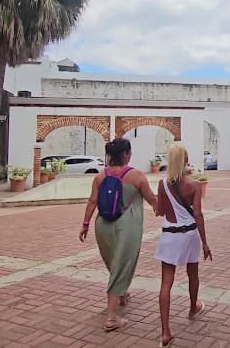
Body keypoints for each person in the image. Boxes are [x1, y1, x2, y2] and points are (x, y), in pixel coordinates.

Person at [79, 138, 157, 332]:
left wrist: (85, 224)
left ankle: (121, 294)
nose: (130, 155)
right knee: (122, 264)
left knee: (115, 262)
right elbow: (152, 199)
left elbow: (91, 202)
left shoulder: (100, 176)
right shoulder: (137, 176)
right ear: (125, 154)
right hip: (126, 226)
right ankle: (112, 318)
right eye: (129, 152)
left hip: (102, 226)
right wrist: (164, 209)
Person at [155, 143, 212, 347]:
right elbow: (198, 214)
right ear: (186, 160)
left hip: (169, 235)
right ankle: (192, 307)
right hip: (189, 234)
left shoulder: (162, 184)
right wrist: (205, 242)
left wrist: (163, 203)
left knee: (166, 283)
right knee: (193, 274)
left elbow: (160, 211)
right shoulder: (195, 185)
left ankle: (165, 332)